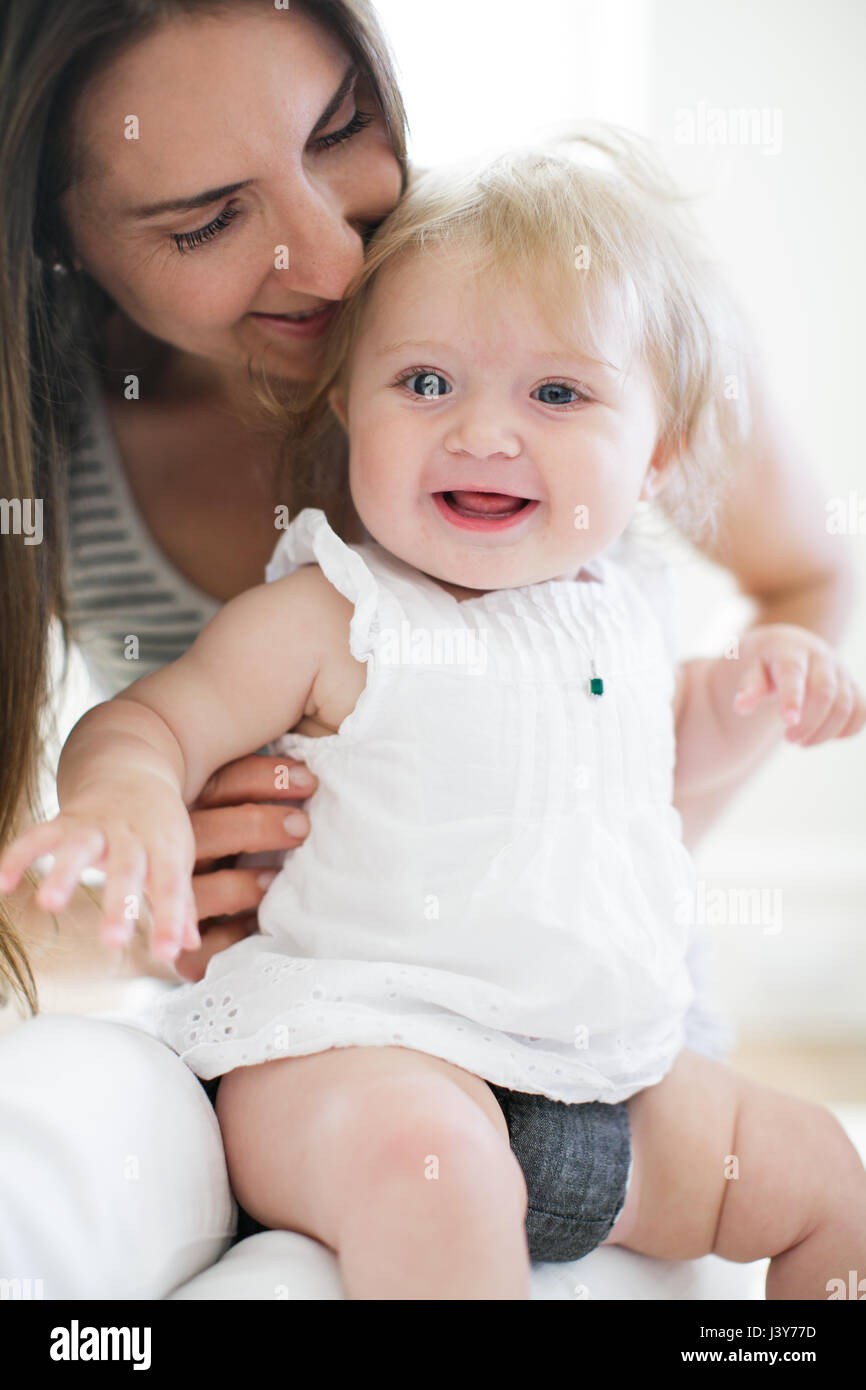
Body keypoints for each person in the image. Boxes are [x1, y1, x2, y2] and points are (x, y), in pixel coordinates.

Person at [0, 1, 855, 1297]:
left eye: (337, 132)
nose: (331, 265)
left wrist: (739, 711)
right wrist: (138, 832)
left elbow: (718, 668)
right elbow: (151, 730)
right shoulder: (328, 605)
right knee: (420, 1177)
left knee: (822, 1173)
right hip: (353, 1046)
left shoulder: (539, 299)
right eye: (204, 218)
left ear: (657, 452)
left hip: (603, 1048)